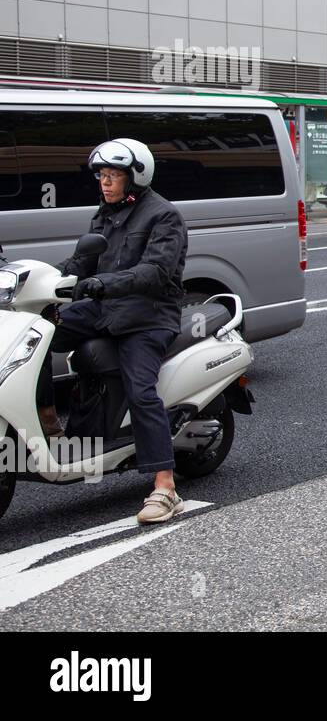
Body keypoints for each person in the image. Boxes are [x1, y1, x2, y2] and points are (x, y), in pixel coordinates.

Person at [51, 139, 189, 525]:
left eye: (113, 176)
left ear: (135, 177)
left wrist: (103, 284)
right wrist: (38, 278)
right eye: (102, 176)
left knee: (141, 390)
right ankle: (48, 420)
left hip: (148, 317)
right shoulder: (105, 214)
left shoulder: (164, 216)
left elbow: (156, 272)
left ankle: (165, 487)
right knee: (37, 334)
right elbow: (80, 262)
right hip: (104, 310)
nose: (105, 183)